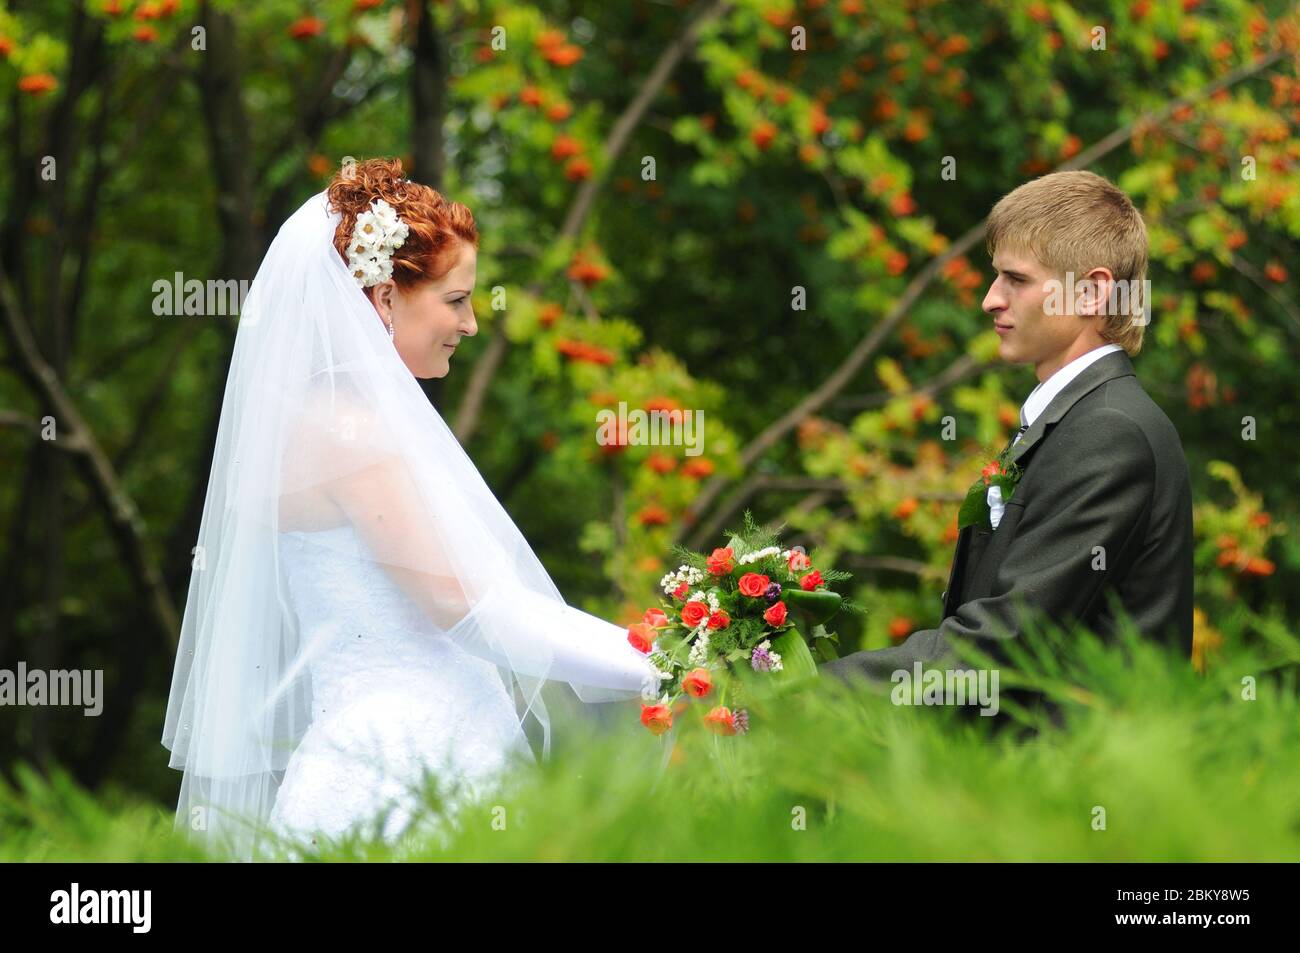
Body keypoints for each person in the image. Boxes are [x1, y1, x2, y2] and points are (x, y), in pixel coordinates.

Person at [161, 158, 656, 861]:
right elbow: (474, 609)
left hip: (419, 760)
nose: (472, 323)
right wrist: (660, 659)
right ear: (385, 298)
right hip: (398, 781)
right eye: (456, 301)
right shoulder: (348, 430)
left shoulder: (329, 420)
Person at [823, 170, 1194, 696]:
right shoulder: (1074, 419)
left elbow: (1003, 643)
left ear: (1090, 292)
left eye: (1015, 279)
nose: (990, 300)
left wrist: (807, 697)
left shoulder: (1110, 432)